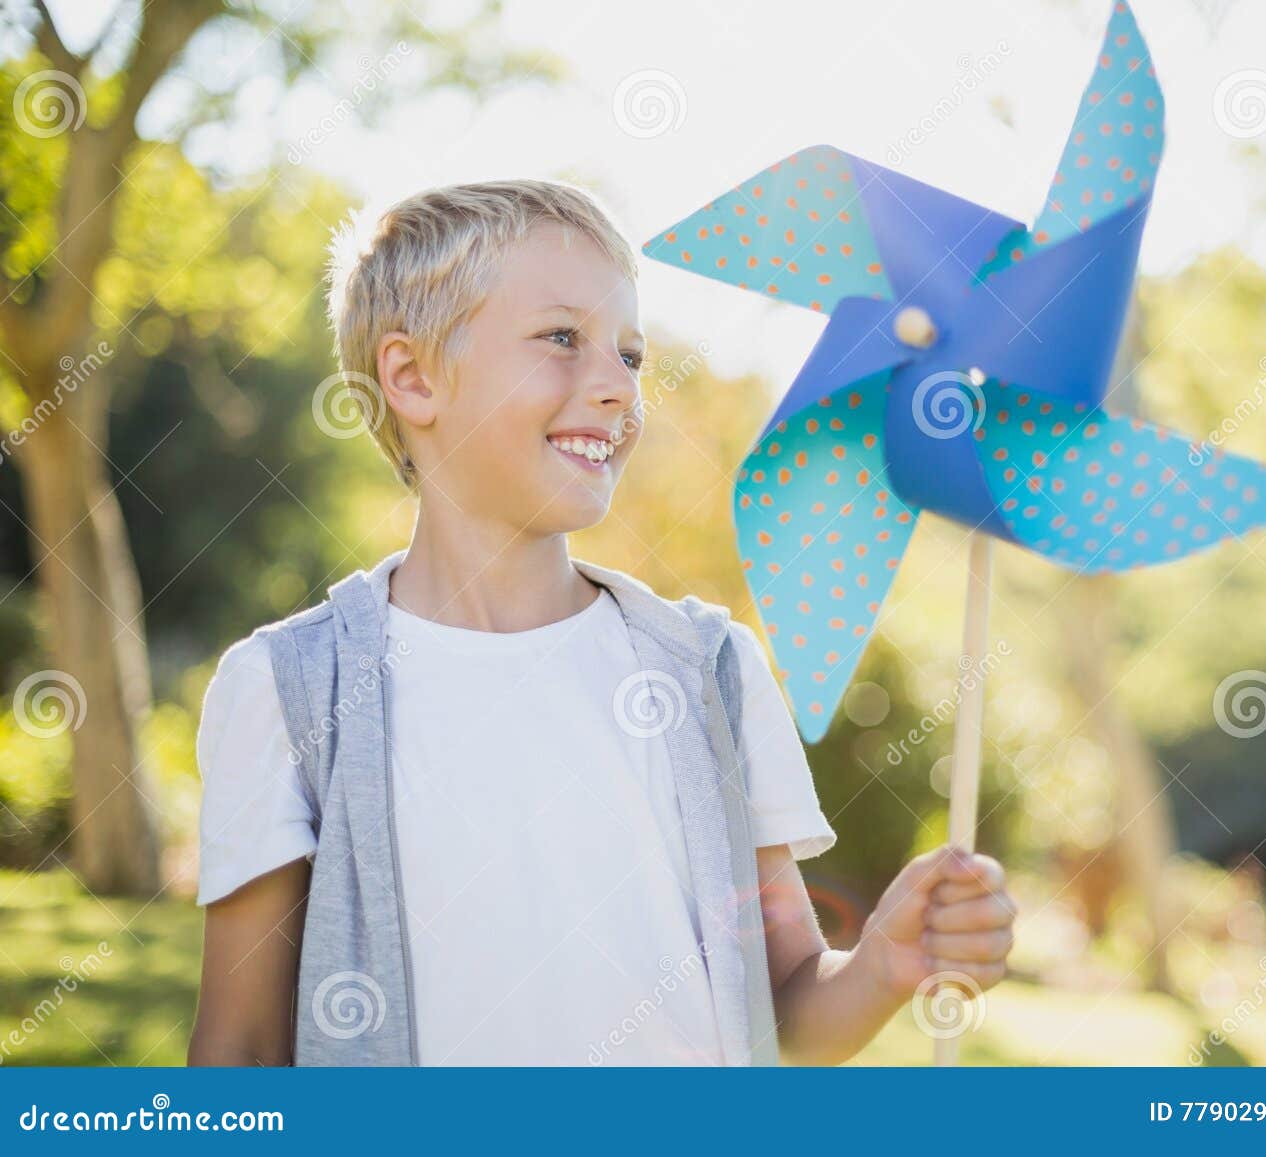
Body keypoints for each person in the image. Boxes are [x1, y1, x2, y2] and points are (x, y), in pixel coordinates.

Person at [187, 180, 1015, 1066]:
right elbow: (239, 1049)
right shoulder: (291, 688)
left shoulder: (713, 673)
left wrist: (886, 961)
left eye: (630, 353)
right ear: (412, 376)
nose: (618, 387)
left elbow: (782, 1020)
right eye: (561, 339)